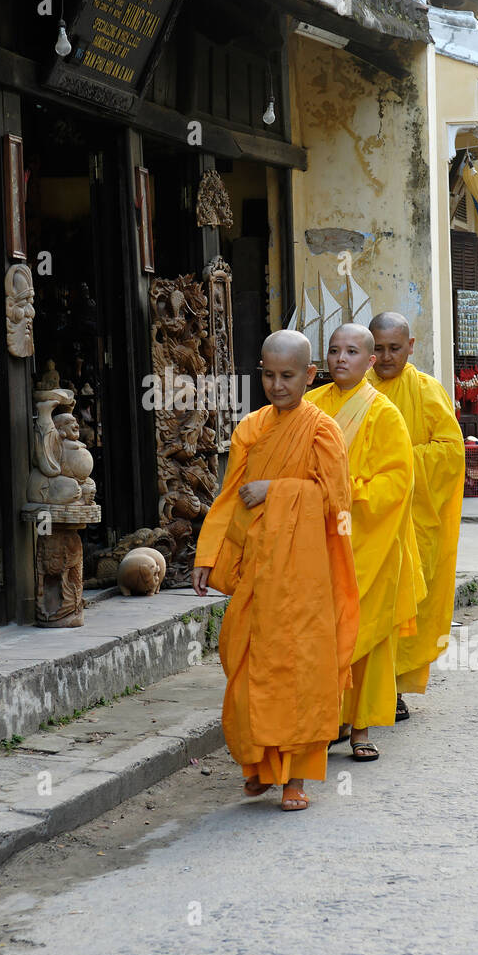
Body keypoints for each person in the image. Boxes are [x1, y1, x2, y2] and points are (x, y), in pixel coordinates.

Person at [192, 330, 359, 811]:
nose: (277, 385)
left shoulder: (323, 431)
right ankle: (259, 766)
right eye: (268, 375)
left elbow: (335, 501)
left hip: (306, 577)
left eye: (288, 376)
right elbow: (229, 499)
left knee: (301, 674)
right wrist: (208, 555)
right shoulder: (251, 429)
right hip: (259, 572)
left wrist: (277, 489)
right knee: (248, 669)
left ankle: (295, 781)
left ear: (309, 375)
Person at [307, 325, 424, 762]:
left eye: (352, 352)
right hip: (322, 539)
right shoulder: (311, 406)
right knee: (326, 633)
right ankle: (329, 719)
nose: (341, 359)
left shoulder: (383, 412)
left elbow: (397, 481)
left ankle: (361, 728)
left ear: (370, 362)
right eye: (334, 350)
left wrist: (348, 491)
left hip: (373, 541)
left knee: (367, 638)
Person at [367, 312, 466, 717]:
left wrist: (399, 464)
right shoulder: (355, 390)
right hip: (368, 518)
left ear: (411, 346)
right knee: (370, 602)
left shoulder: (426, 390)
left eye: (395, 348)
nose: (386, 357)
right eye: (378, 349)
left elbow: (452, 451)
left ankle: (395, 686)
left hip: (414, 519)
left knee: (405, 601)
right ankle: (360, 691)